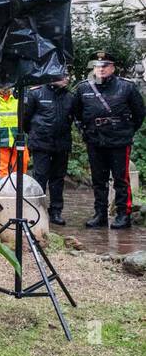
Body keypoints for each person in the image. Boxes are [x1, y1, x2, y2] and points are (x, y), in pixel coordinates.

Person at [72, 51, 146, 229]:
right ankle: (100, 214)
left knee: (121, 179)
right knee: (99, 180)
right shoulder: (84, 88)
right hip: (95, 140)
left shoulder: (126, 87)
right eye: (97, 66)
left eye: (105, 65)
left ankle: (123, 214)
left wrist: (126, 131)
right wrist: (85, 131)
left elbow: (139, 113)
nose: (101, 69)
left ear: (113, 67)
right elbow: (76, 113)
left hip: (119, 140)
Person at [23, 72, 75, 226]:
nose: (67, 78)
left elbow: (73, 117)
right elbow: (25, 119)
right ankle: (37, 209)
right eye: (63, 75)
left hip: (62, 143)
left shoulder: (69, 97)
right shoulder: (36, 93)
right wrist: (35, 133)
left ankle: (56, 211)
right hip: (41, 142)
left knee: (58, 178)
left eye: (68, 75)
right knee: (40, 177)